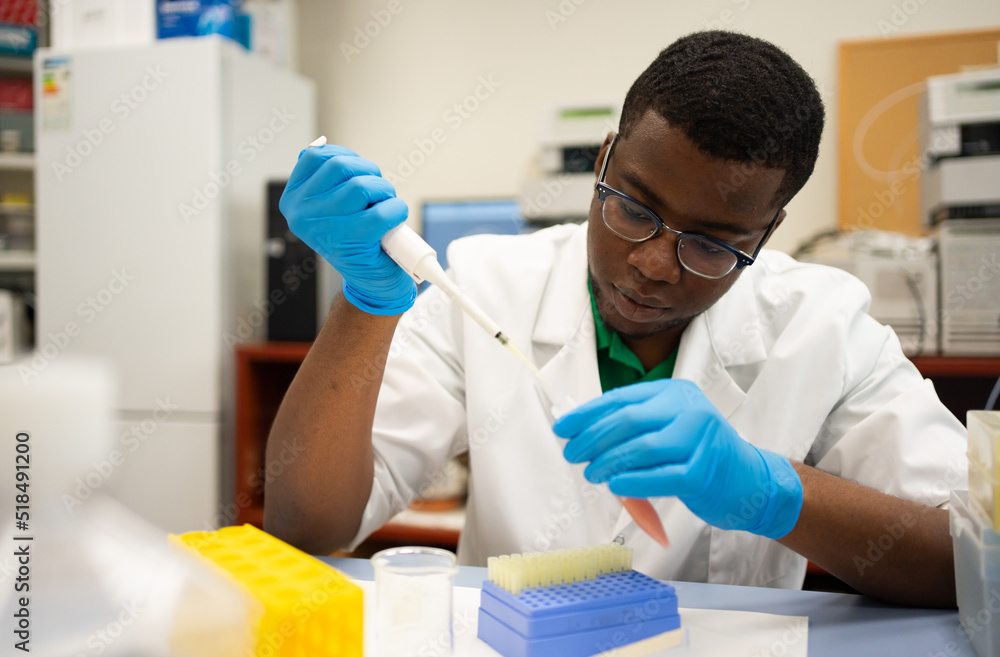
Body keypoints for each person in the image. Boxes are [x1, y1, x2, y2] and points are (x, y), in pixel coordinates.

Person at [265, 31, 967, 608]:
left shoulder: (827, 325)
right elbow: (307, 522)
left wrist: (772, 492)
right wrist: (365, 301)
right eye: (633, 208)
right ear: (604, 161)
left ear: (766, 232)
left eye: (712, 243)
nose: (655, 264)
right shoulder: (487, 283)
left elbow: (968, 562)